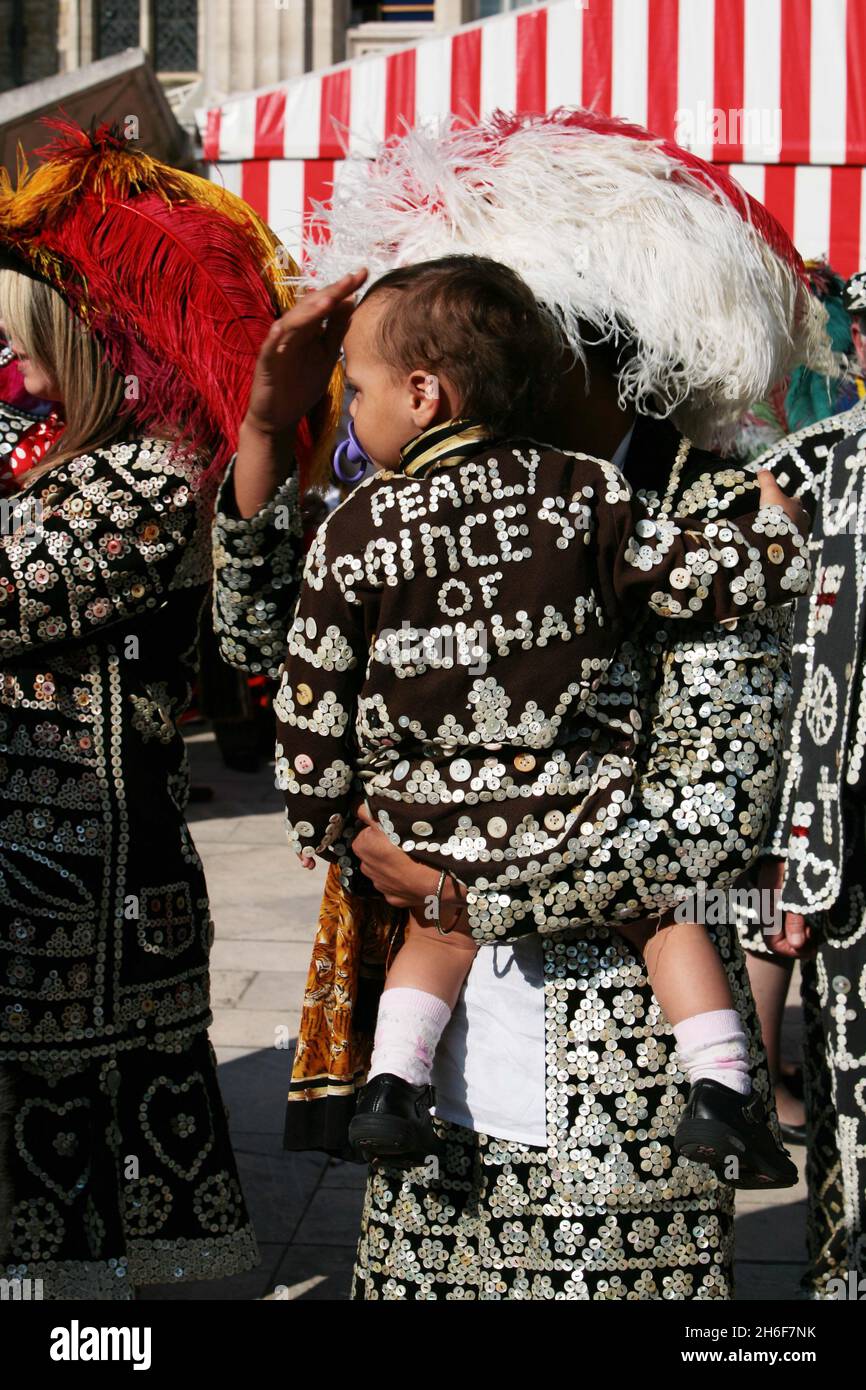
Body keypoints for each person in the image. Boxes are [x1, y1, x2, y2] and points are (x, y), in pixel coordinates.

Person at [214, 108, 833, 1299]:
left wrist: (455, 886)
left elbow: (704, 825)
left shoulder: (687, 505)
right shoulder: (422, 500)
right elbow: (262, 645)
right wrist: (260, 424)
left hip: (627, 1057)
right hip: (431, 1058)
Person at [273, 253, 808, 1188]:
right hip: (574, 809)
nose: (349, 412)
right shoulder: (587, 491)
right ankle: (721, 1091)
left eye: (355, 390)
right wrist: (773, 542)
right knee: (666, 917)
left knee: (441, 936)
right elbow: (696, 576)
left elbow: (310, 696)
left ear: (424, 395)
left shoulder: (354, 526)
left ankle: (391, 1087)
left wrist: (324, 822)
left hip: (428, 825)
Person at [0, 119, 338, 1299]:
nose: (10, 348)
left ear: (94, 339)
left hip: (87, 891)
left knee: (83, 1172)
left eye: (29, 325)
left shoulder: (146, 482)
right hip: (43, 882)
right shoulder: (49, 454)